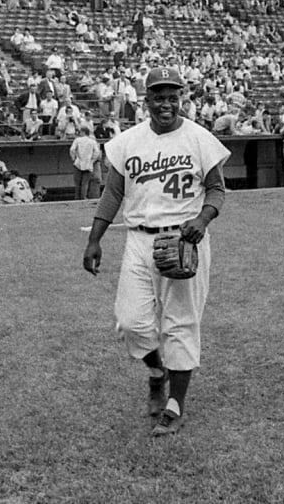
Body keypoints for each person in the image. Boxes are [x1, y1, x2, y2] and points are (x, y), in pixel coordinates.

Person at [83, 66, 228, 437]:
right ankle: (156, 370)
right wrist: (95, 239)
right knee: (130, 321)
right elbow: (113, 193)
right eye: (159, 97)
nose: (167, 104)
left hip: (185, 239)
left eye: (173, 96)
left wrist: (203, 219)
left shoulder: (198, 138)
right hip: (139, 238)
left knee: (181, 322)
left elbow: (216, 189)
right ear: (145, 101)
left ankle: (174, 405)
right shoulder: (129, 141)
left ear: (181, 98)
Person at [69, 124, 101, 200]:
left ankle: (77, 198)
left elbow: (72, 150)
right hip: (88, 163)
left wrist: (74, 158)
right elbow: (97, 152)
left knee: (77, 183)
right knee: (85, 183)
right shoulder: (92, 141)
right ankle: (83, 198)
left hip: (78, 163)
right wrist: (92, 160)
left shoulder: (77, 140)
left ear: (83, 132)